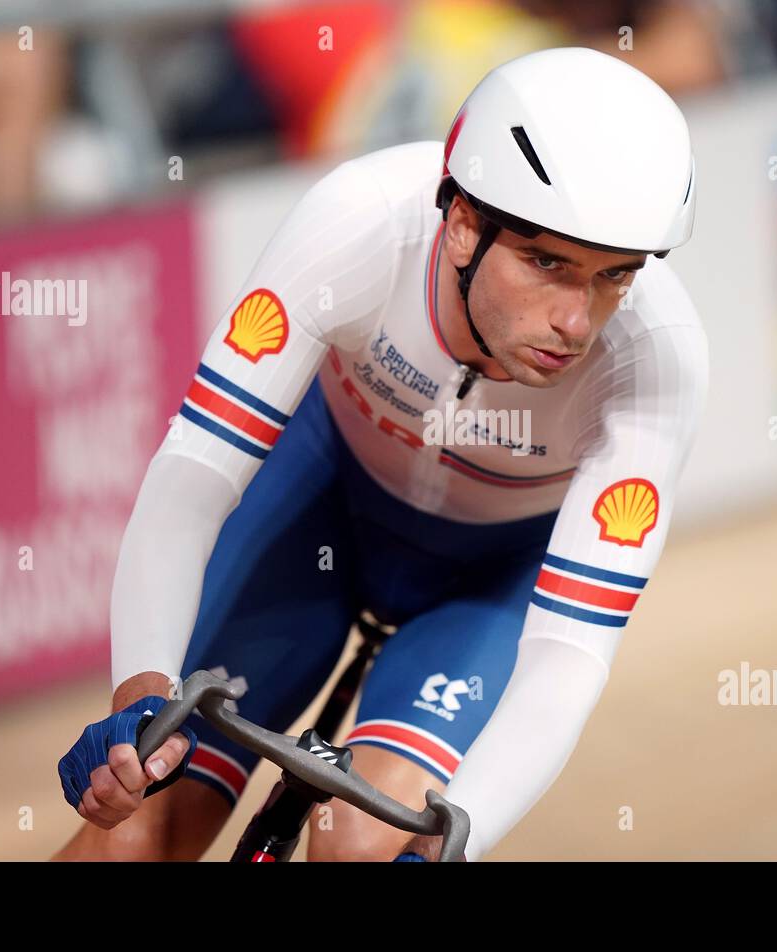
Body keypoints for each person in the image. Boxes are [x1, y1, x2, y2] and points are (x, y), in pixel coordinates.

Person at [55, 46, 706, 862]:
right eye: (548, 264)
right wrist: (141, 698)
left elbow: (567, 658)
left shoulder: (657, 359)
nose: (578, 321)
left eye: (614, 277)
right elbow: (194, 477)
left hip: (486, 584)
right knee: (138, 834)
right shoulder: (361, 223)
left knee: (362, 844)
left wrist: (454, 840)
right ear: (463, 222)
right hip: (320, 507)